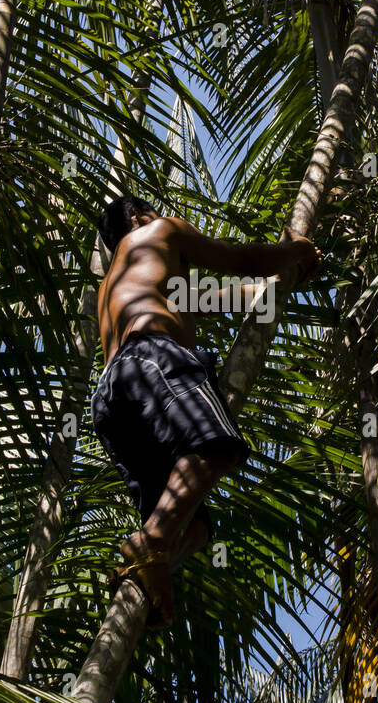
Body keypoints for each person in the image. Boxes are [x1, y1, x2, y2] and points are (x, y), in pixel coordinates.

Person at [91, 195, 321, 627]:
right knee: (216, 447)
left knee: (195, 527)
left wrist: (289, 275)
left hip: (112, 398)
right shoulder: (158, 232)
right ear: (140, 218)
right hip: (151, 357)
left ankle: (145, 571)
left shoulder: (133, 283)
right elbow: (237, 259)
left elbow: (244, 295)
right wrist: (295, 251)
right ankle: (150, 544)